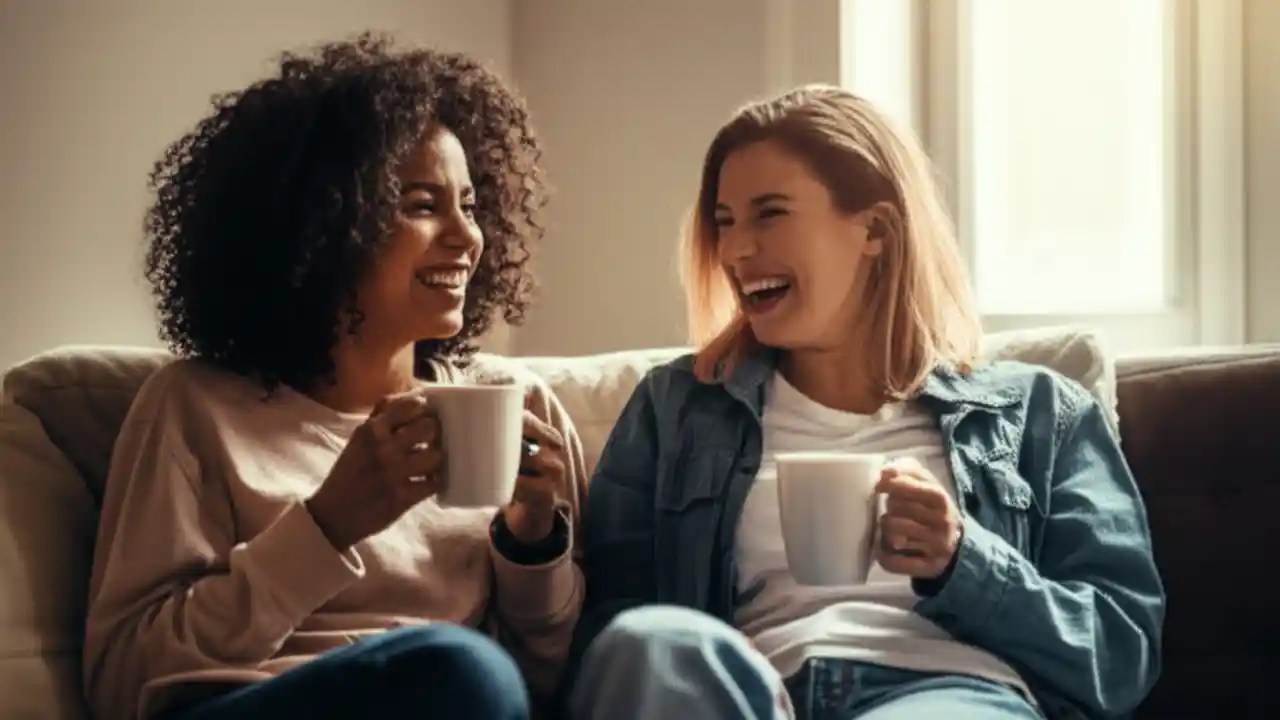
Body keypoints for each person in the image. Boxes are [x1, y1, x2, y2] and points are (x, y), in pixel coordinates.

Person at [567, 85, 1165, 720]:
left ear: (874, 230)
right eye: (725, 221)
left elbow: (1119, 653)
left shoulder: (1043, 412)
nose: (736, 251)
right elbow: (610, 635)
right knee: (647, 643)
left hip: (944, 695)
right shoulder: (675, 408)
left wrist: (964, 559)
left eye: (769, 214)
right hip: (751, 695)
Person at [82, 34, 586, 720]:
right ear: (324, 225)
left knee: (474, 674)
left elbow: (551, 683)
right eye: (421, 204)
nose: (467, 238)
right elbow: (123, 679)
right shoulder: (195, 407)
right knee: (458, 668)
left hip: (466, 699)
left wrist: (532, 545)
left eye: (469, 204)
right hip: (259, 702)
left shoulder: (517, 407)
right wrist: (327, 524)